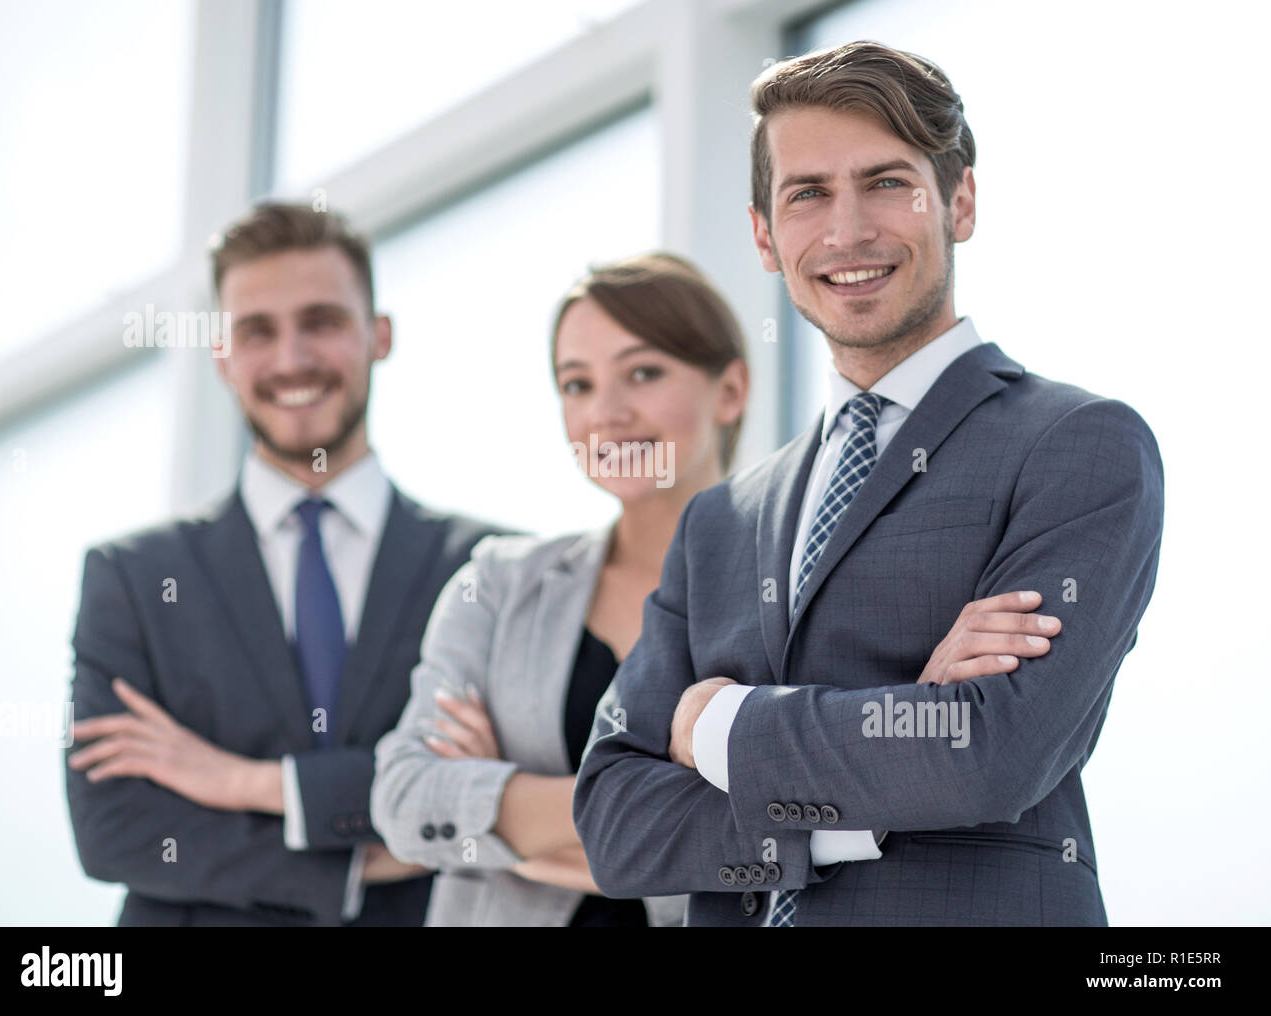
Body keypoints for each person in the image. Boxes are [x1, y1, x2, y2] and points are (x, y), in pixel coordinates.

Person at [573, 41, 1164, 926]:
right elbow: (614, 824)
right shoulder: (720, 522)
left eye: (887, 182)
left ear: (959, 201)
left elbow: (989, 753)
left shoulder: (1077, 445)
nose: (847, 232)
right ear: (765, 236)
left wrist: (718, 728)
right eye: (807, 194)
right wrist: (879, 767)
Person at [64, 202, 508, 926]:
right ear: (221, 355)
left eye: (323, 322)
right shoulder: (135, 577)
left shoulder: (490, 568)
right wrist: (356, 867)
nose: (292, 359)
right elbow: (114, 828)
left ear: (379, 335)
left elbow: (496, 785)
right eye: (257, 331)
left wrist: (240, 782)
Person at [370, 253, 749, 925]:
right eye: (577, 385)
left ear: (730, 390)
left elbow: (783, 835)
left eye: (643, 372)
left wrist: (505, 829)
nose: (606, 412)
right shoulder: (498, 583)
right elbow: (406, 800)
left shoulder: (789, 597)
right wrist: (666, 815)